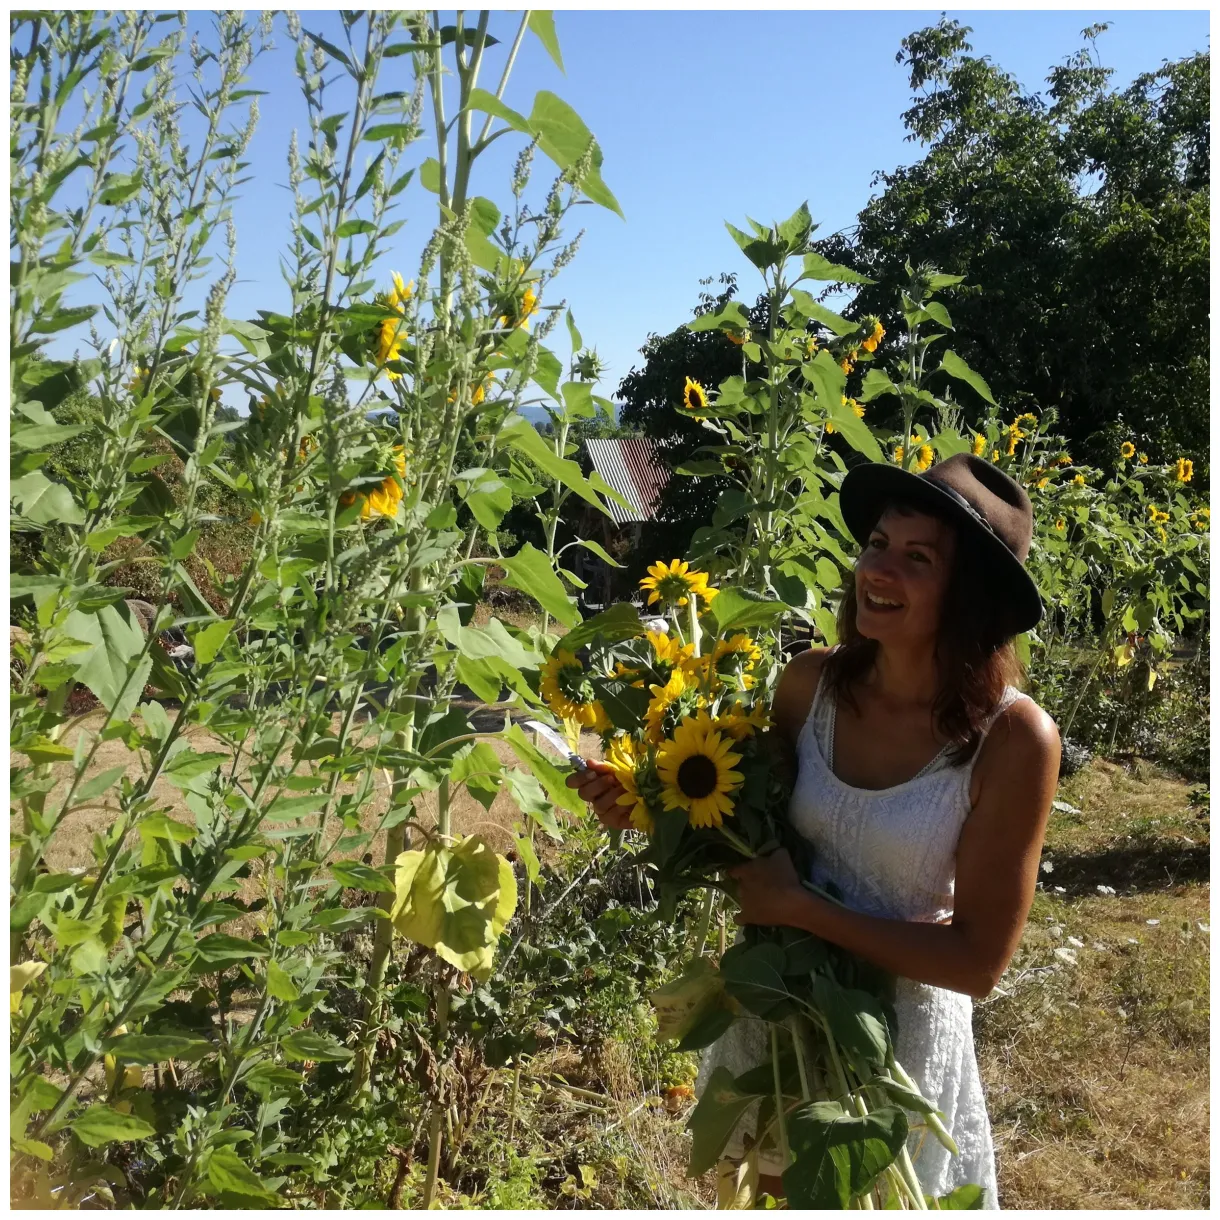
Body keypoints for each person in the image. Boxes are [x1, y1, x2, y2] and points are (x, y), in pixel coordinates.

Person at [567, 453, 1061, 1207]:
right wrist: (646, 805)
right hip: (780, 1019)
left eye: (917, 557)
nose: (878, 570)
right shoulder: (810, 688)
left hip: (892, 1044)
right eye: (877, 545)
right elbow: (744, 825)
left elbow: (978, 963)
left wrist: (803, 911)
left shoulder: (1013, 741)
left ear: (971, 598)